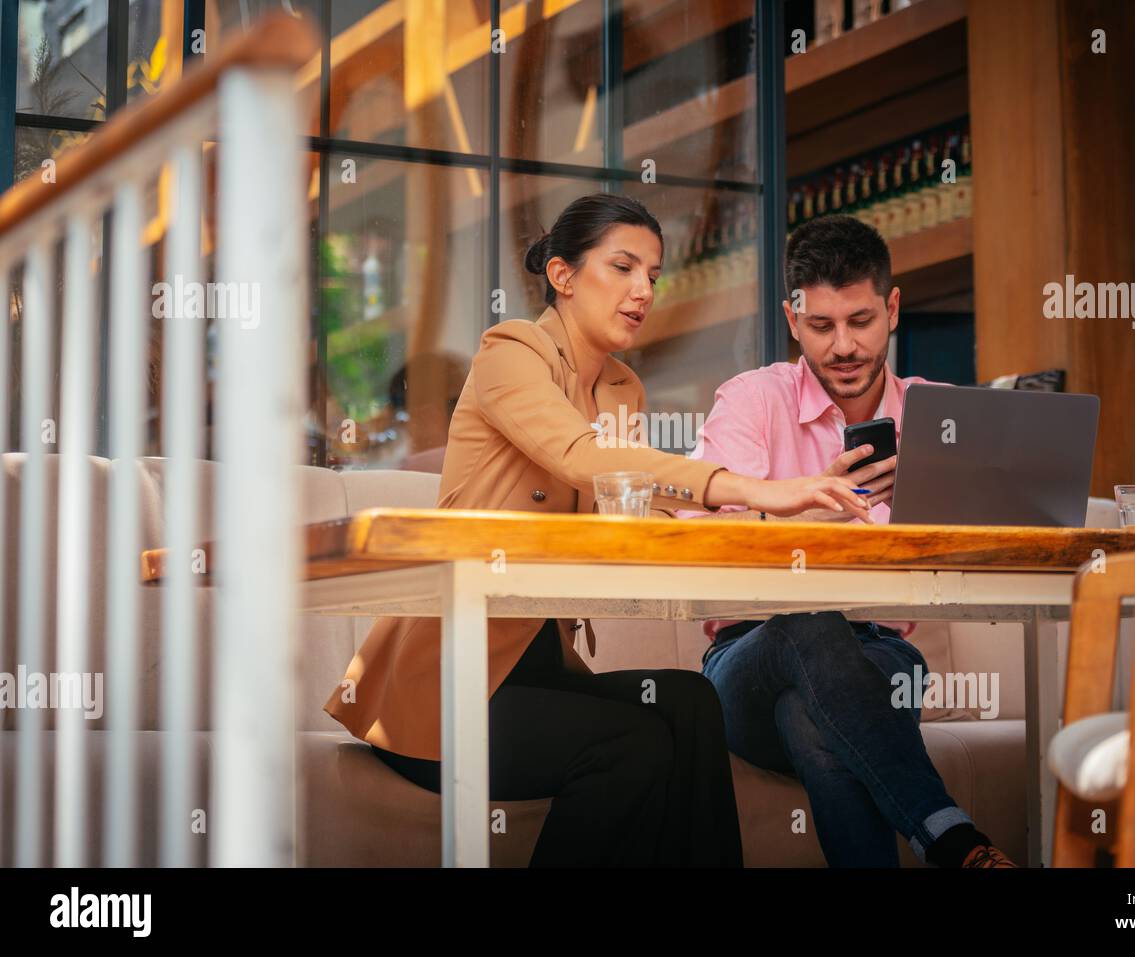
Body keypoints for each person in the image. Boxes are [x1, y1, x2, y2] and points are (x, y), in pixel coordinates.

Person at [324, 194, 874, 867]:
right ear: (563, 275)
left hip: (536, 670)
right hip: (445, 686)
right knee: (632, 741)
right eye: (623, 267)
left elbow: (633, 518)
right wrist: (758, 486)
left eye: (653, 273)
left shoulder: (622, 388)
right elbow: (582, 456)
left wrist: (770, 517)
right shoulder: (511, 352)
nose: (643, 289)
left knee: (689, 699)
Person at [679, 214, 1016, 868]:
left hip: (879, 658)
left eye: (860, 321)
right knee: (807, 622)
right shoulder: (751, 401)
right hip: (747, 659)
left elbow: (998, 546)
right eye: (821, 326)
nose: (843, 346)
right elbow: (704, 544)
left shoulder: (936, 417)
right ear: (791, 317)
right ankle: (951, 837)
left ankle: (947, 836)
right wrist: (815, 510)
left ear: (892, 308)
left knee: (812, 722)